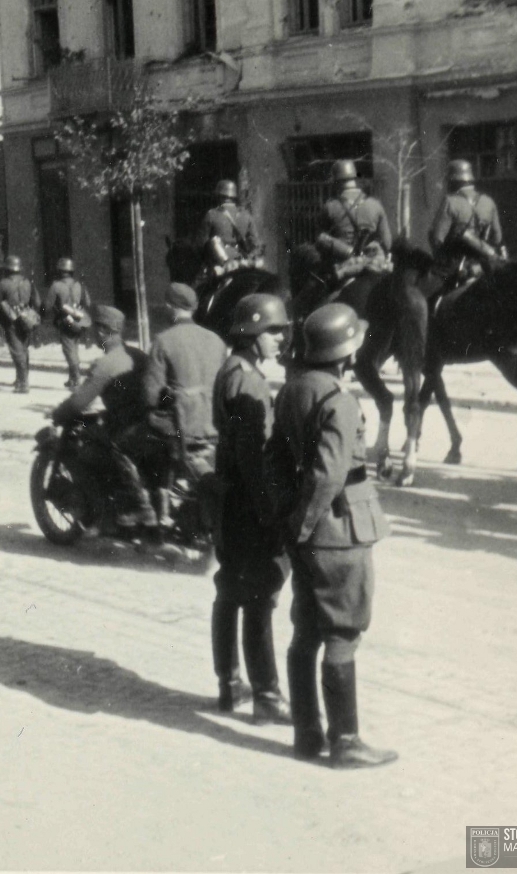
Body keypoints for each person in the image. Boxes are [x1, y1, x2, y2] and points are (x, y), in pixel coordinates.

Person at [267, 302, 396, 769]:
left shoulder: (293, 390)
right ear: (344, 354)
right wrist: (303, 525)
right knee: (342, 631)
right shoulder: (338, 401)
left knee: (306, 630)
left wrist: (290, 524)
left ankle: (307, 732)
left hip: (304, 530)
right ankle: (346, 742)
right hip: (338, 530)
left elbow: (277, 462)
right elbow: (328, 475)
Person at [211, 293, 293, 724]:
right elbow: (254, 458)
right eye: (273, 331)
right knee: (260, 597)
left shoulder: (233, 369)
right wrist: (270, 513)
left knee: (229, 590)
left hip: (230, 498)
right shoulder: (249, 382)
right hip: (248, 501)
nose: (280, 339)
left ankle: (229, 684)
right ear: (251, 333)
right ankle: (266, 695)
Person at [52, 305, 155, 529]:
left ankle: (101, 514)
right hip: (145, 425)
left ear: (102, 331)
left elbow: (79, 402)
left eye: (94, 329)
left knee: (85, 446)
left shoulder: (105, 363)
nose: (91, 333)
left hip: (123, 428)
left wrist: (59, 413)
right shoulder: (137, 355)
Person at [137, 282, 228, 529]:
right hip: (215, 425)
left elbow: (151, 396)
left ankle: (153, 511)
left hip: (182, 426)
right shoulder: (217, 341)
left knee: (134, 444)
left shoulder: (163, 341)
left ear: (170, 307)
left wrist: (170, 398)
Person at [428, 159, 505, 295]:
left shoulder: (450, 201)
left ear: (453, 181)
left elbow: (436, 239)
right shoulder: (488, 202)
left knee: (429, 297)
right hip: (482, 266)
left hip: (454, 267)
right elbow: (497, 239)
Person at [315, 160, 393, 287]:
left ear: (336, 182)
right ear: (354, 179)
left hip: (342, 269)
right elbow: (387, 243)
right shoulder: (376, 205)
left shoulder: (330, 207)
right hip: (372, 267)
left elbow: (320, 241)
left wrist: (346, 251)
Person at [0, 254, 40, 393]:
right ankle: (21, 378)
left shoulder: (3, 283)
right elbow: (37, 302)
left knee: (17, 351)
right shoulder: (28, 282)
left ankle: (23, 383)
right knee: (24, 350)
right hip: (27, 319)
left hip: (11, 320)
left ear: (7, 269)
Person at [199, 179, 262, 276]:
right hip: (241, 263)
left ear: (219, 196)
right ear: (234, 196)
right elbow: (256, 245)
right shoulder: (246, 215)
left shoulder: (211, 214)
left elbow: (201, 245)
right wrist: (247, 260)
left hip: (220, 264)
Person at [48, 256, 91, 388]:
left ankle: (77, 377)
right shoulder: (79, 285)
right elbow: (88, 302)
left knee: (68, 350)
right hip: (79, 321)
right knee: (74, 347)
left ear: (60, 271)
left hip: (65, 321)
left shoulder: (56, 286)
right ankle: (72, 378)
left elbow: (47, 305)